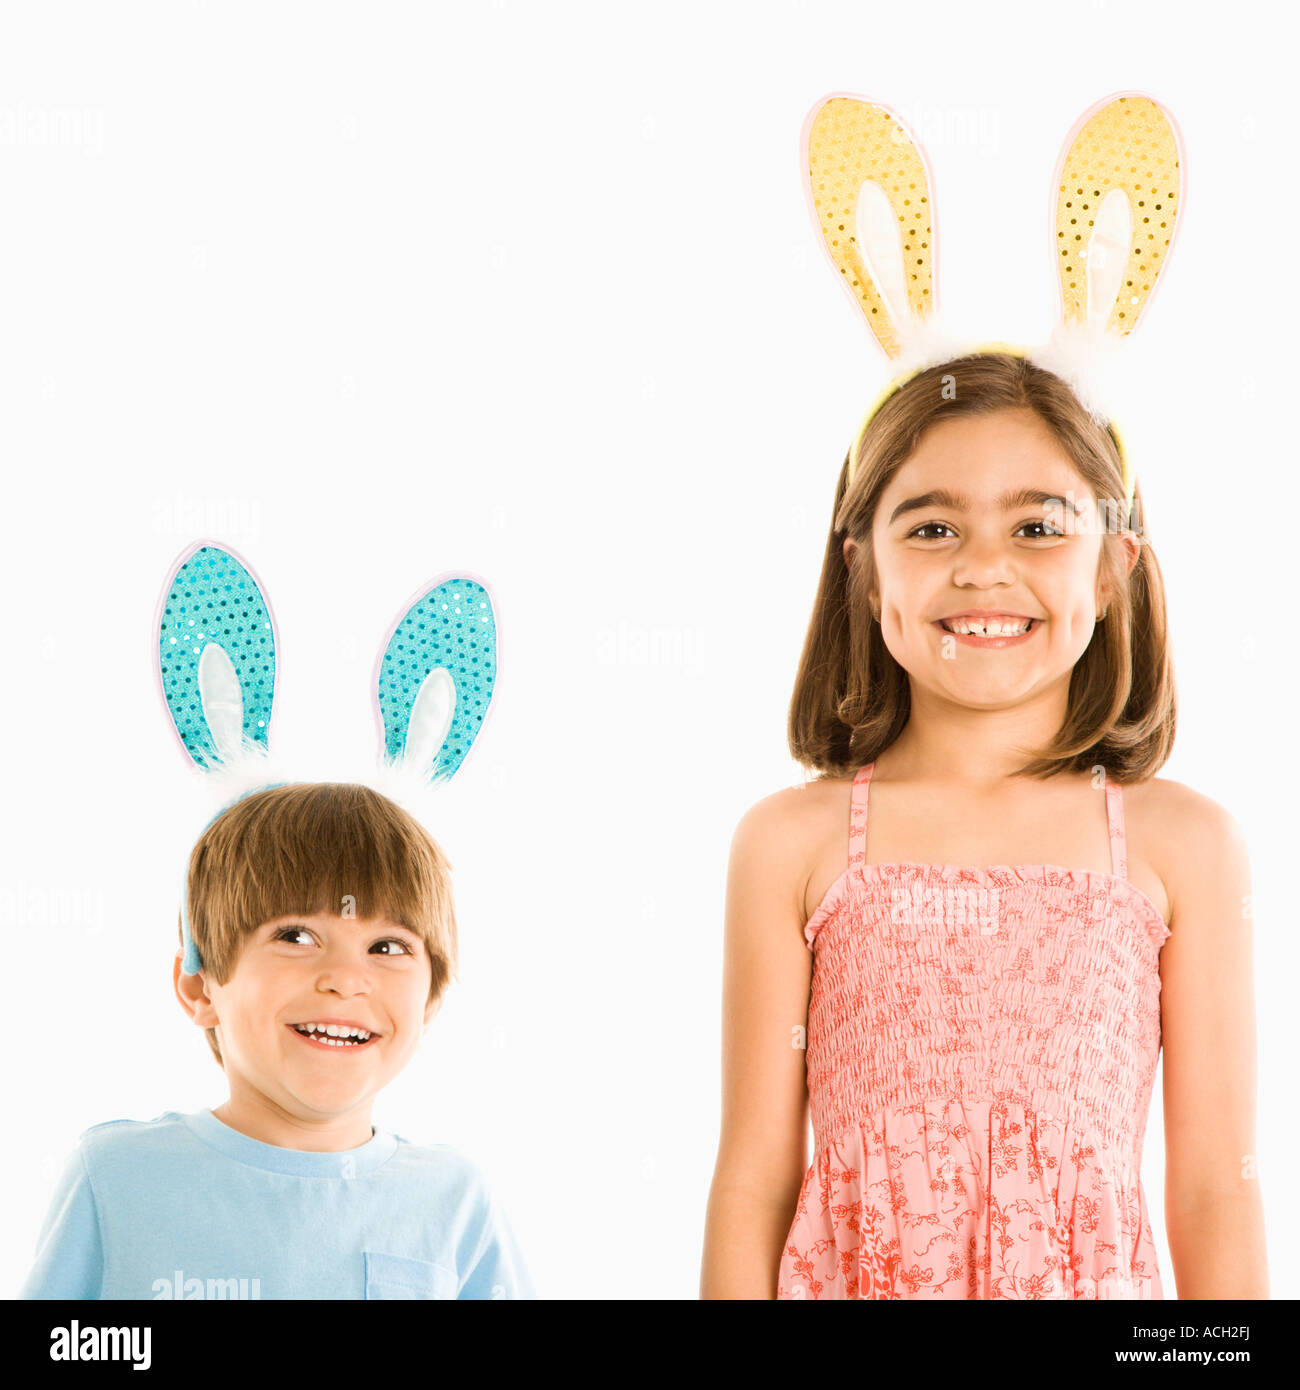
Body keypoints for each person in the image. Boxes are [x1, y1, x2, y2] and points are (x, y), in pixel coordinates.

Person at [700, 351, 1269, 1299]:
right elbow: (751, 1183)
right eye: (931, 527)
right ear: (865, 569)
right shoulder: (789, 843)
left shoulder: (1186, 846)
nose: (984, 567)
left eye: (1039, 526)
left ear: (1113, 565)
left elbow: (1215, 1191)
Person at [21, 780, 534, 1300]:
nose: (346, 978)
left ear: (430, 1004)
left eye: (387, 945)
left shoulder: (457, 1201)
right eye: (296, 937)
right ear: (201, 987)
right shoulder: (115, 1177)